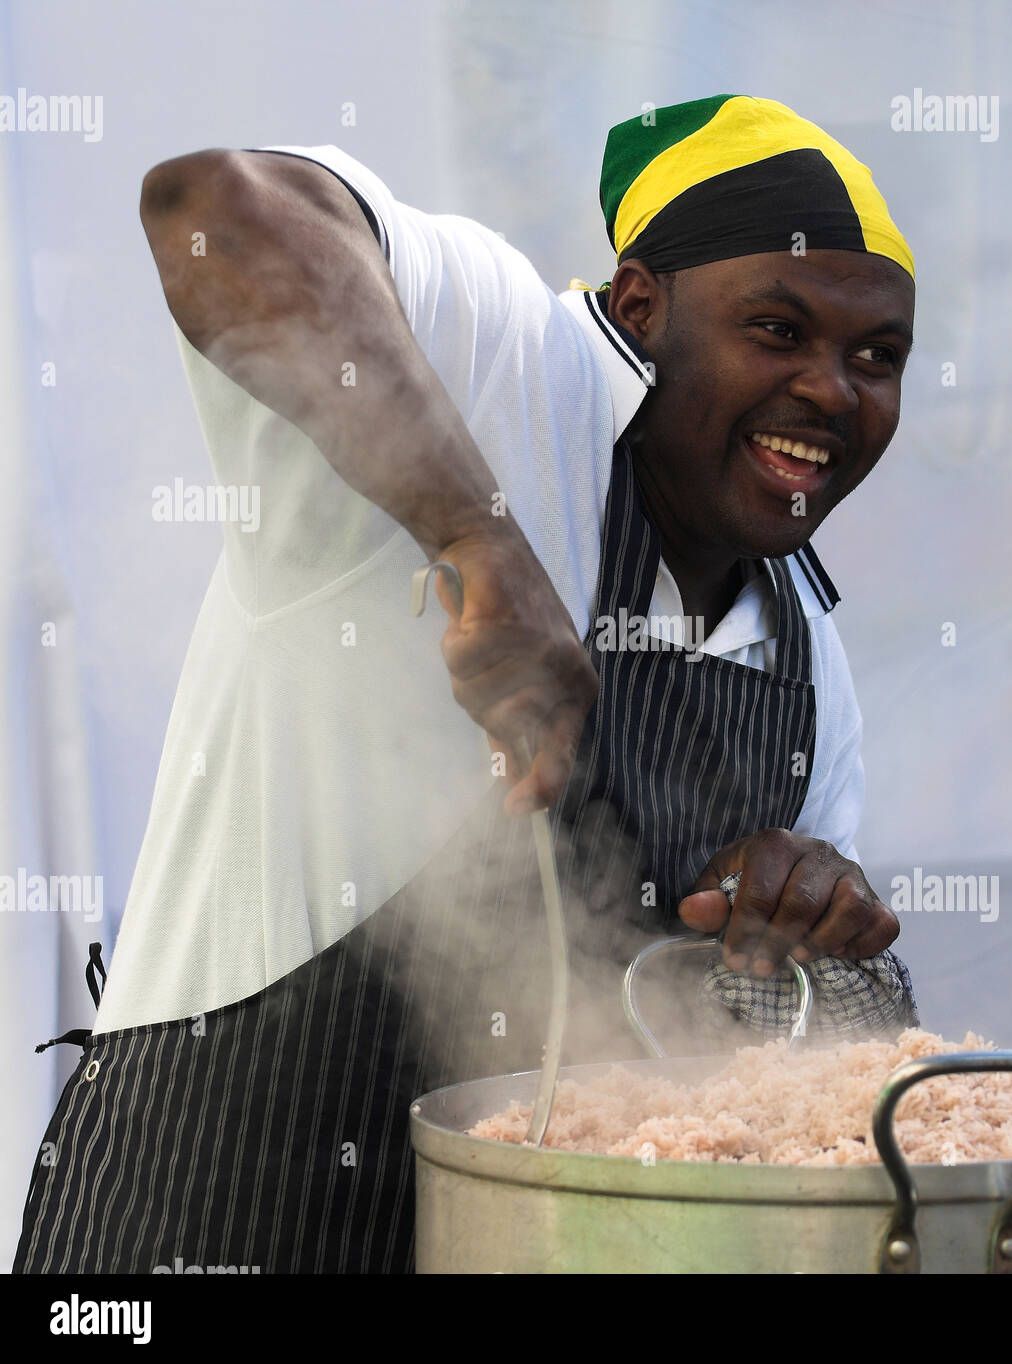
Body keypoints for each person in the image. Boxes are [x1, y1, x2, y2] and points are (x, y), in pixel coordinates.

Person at [16, 94, 918, 1273]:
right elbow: (209, 208)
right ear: (639, 307)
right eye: (777, 329)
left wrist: (797, 916)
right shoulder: (502, 361)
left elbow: (762, 1060)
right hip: (210, 1211)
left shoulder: (806, 659)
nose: (833, 391)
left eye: (877, 356)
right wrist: (475, 538)